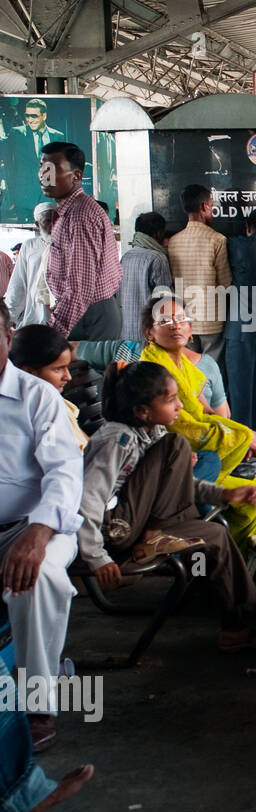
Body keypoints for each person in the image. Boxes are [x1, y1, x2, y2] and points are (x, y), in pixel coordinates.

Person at [74, 295, 256, 548]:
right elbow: (184, 428)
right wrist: (244, 437)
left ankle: (248, 558)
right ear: (149, 332)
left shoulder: (192, 367)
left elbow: (211, 415)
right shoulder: (152, 372)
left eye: (181, 319)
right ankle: (214, 549)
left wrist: (243, 434)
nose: (175, 325)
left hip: (194, 456)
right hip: (173, 463)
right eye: (165, 320)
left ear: (191, 328)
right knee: (254, 496)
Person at [78, 361, 256, 651]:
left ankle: (238, 624)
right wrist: (96, 557)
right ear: (142, 411)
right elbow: (88, 499)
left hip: (140, 520)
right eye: (170, 400)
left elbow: (182, 483)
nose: (179, 406)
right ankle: (158, 531)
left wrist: (225, 496)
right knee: (179, 445)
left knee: (216, 535)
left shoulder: (153, 433)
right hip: (116, 532)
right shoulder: (117, 440)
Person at [0, 303, 82, 751]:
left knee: (37, 577)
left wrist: (38, 532)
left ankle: (37, 704)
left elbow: (64, 473)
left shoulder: (37, 395)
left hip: (36, 527)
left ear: (7, 337)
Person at [39, 143, 123, 340]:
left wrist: (53, 332)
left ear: (76, 176)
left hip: (90, 315)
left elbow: (80, 289)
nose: (44, 174)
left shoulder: (80, 216)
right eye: (42, 167)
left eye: (51, 168)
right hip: (87, 311)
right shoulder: (70, 211)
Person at [167, 184, 232, 365]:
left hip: (183, 320)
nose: (211, 211)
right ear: (204, 206)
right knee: (211, 370)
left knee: (188, 370)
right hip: (211, 320)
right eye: (211, 206)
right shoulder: (217, 240)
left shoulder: (173, 242)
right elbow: (225, 284)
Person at [224, 208, 256, 428]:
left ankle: (243, 443)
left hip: (242, 326)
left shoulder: (234, 245)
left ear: (247, 227)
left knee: (241, 393)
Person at [9, 326, 86, 451]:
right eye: (58, 369)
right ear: (29, 372)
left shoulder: (57, 404)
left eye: (67, 367)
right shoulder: (39, 412)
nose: (68, 377)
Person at [117, 212, 174, 344]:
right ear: (158, 234)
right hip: (149, 331)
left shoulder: (126, 257)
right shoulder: (158, 258)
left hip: (127, 330)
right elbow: (165, 298)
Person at [6, 202, 55, 329]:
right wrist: (9, 317)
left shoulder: (69, 245)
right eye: (47, 221)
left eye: (56, 219)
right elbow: (18, 283)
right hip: (35, 314)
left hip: (63, 314)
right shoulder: (29, 246)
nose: (52, 224)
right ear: (37, 225)